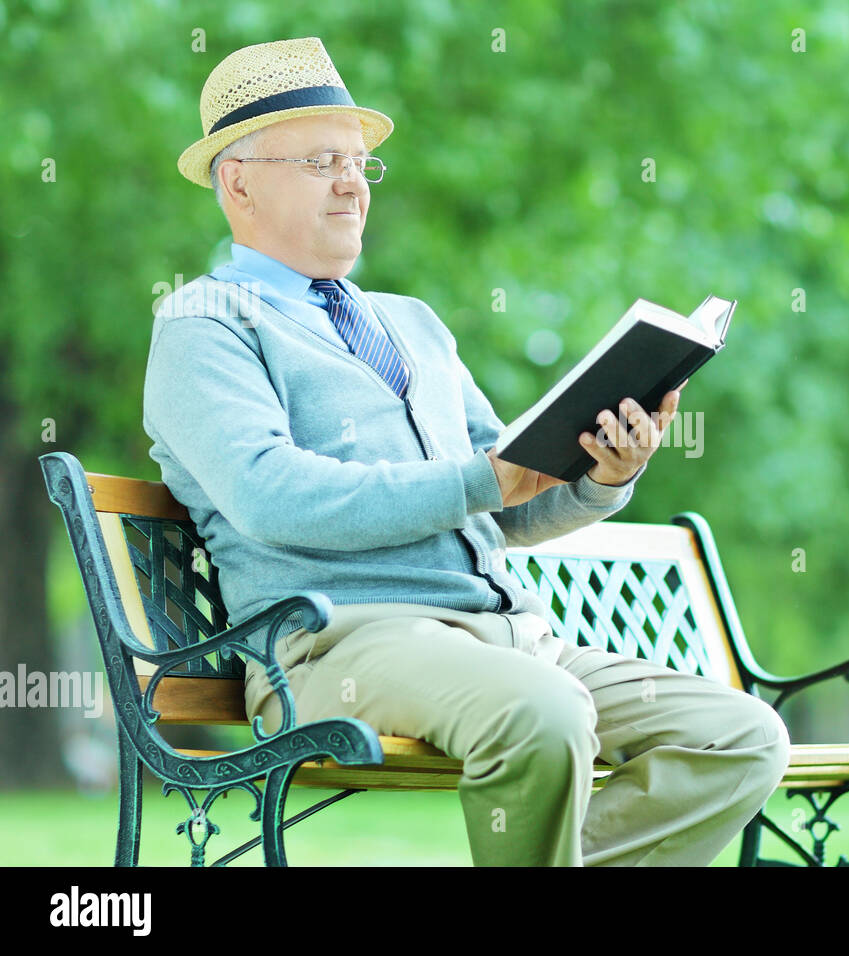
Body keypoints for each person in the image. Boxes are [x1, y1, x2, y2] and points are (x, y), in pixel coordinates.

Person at [144, 37, 789, 866]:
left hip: (510, 637)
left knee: (740, 737)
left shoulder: (410, 322)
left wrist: (602, 478)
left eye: (359, 163)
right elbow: (274, 496)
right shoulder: (206, 324)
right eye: (319, 161)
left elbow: (505, 497)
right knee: (545, 714)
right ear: (238, 182)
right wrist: (483, 477)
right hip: (340, 643)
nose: (351, 182)